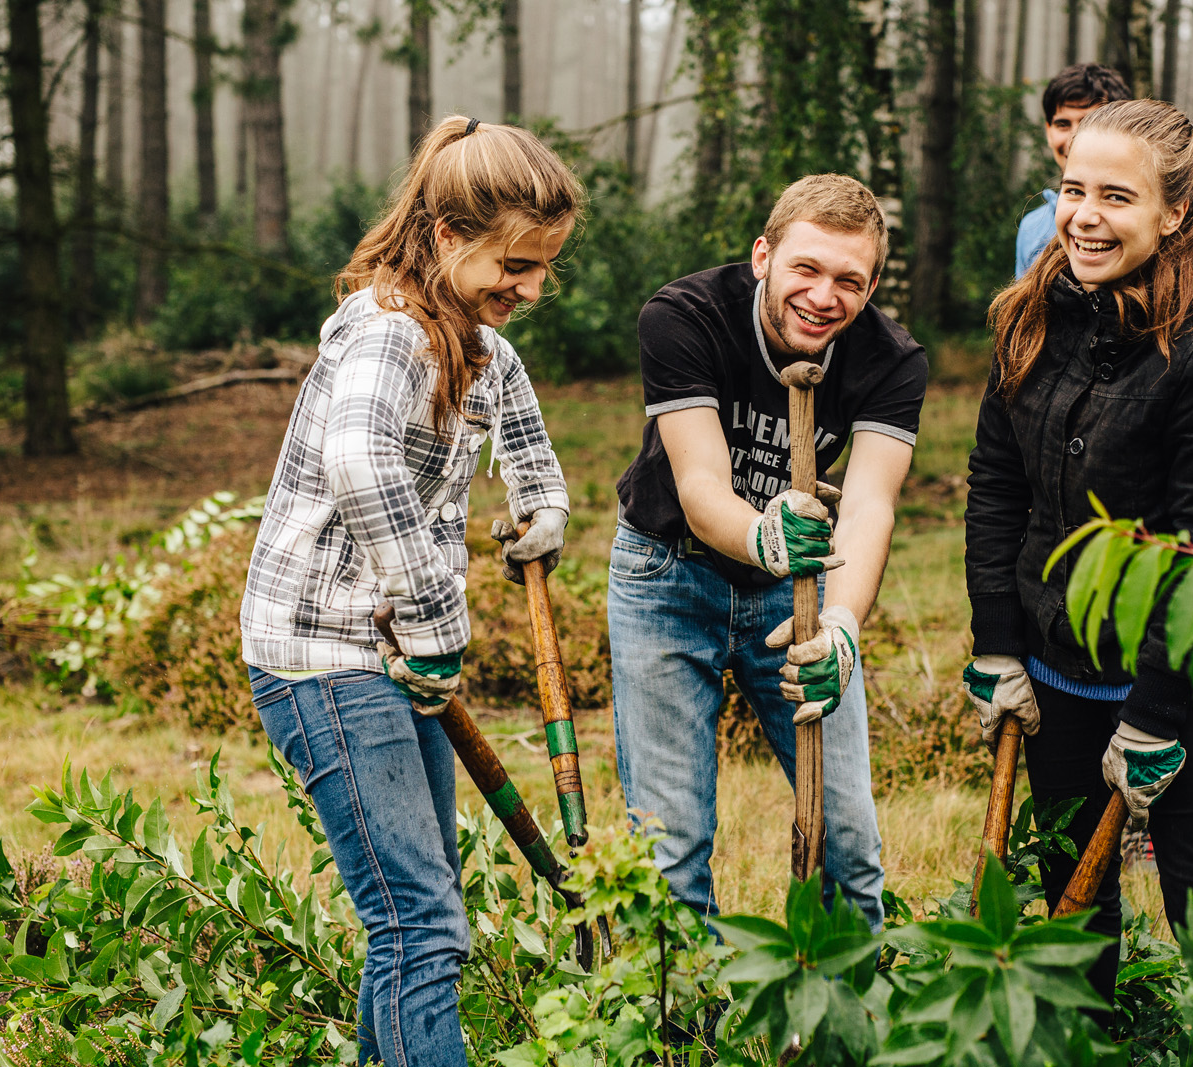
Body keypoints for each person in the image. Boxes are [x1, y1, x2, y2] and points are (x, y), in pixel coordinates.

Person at [239, 117, 583, 1065]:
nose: (531, 287)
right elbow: (358, 459)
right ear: (444, 237)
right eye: (514, 264)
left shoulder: (475, 340)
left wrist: (541, 506)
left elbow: (519, 429)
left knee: (418, 911)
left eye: (544, 266)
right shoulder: (390, 337)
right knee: (421, 926)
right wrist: (436, 617)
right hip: (324, 654)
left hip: (386, 655)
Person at [963, 99, 1193, 1004]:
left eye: (1115, 197)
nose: (1084, 215)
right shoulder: (1029, 321)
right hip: (1053, 672)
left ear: (1174, 214)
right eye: (1071, 190)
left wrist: (1158, 712)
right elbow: (996, 486)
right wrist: (996, 642)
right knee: (1069, 908)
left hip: (1174, 679)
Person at [610, 175, 928, 932]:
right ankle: (678, 1037)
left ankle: (845, 1029)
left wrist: (844, 628)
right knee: (668, 845)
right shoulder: (683, 316)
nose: (824, 296)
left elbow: (872, 503)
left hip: (798, 600)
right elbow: (699, 485)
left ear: (873, 284)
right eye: (807, 270)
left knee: (849, 842)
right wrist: (762, 534)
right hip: (668, 575)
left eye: (849, 280)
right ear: (764, 255)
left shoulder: (893, 361)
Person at [1014, 63, 1193, 322]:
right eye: (1063, 124)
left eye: (1089, 120)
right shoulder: (1032, 228)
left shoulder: (1190, 227)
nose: (1076, 137)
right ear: (1048, 130)